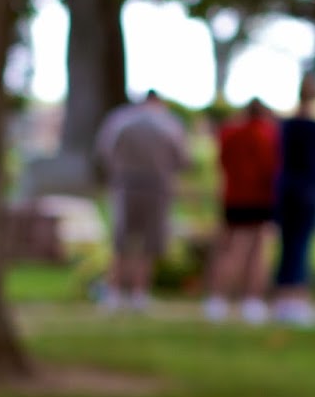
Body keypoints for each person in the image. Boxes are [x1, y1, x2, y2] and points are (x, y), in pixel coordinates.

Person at [94, 91, 189, 311]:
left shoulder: (119, 120)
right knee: (149, 242)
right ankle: (139, 292)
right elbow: (183, 159)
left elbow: (103, 151)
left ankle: (114, 291)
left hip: (125, 184)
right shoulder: (169, 124)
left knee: (122, 240)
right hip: (157, 186)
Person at [207, 99, 281, 323]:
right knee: (255, 250)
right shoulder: (265, 134)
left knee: (229, 248)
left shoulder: (229, 133)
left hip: (232, 196)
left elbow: (221, 161)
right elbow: (270, 167)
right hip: (258, 198)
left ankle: (218, 298)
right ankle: (252, 299)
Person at [271, 77, 315, 326]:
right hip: (306, 192)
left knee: (289, 245)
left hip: (287, 191)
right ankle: (295, 300)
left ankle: (283, 299)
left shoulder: (286, 127)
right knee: (301, 245)